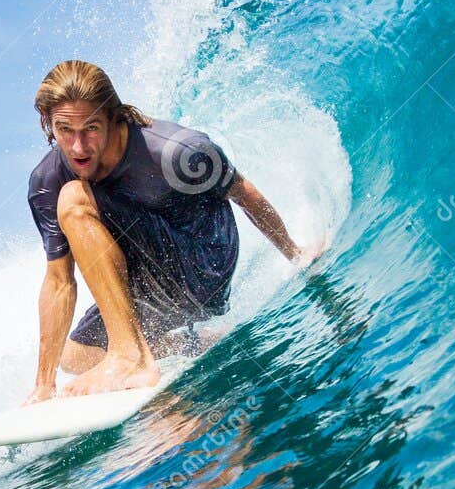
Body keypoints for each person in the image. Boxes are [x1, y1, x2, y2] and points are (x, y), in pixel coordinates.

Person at [24, 60, 318, 402]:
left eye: (91, 128)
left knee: (74, 198)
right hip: (149, 279)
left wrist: (295, 253)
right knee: (72, 354)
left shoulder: (174, 151)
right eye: (64, 130)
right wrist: (44, 384)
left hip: (204, 262)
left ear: (114, 117)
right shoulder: (46, 180)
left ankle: (131, 357)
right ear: (47, 122)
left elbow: (243, 192)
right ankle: (188, 344)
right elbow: (60, 280)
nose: (78, 146)